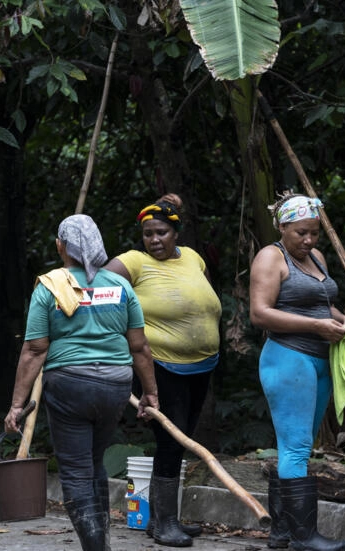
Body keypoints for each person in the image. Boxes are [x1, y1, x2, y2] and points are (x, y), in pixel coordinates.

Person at [5, 214, 160, 551]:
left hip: (70, 385)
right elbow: (140, 347)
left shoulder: (50, 286)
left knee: (76, 471)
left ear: (61, 246)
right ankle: (100, 542)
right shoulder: (120, 286)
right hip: (116, 385)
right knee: (94, 462)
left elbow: (34, 350)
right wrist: (150, 394)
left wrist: (17, 405)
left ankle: (95, 547)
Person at [104, 194, 222, 548]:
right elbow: (93, 291)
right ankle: (166, 521)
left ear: (176, 233)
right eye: (148, 234)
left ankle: (160, 518)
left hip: (202, 365)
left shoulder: (193, 258)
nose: (154, 240)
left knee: (183, 437)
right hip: (160, 366)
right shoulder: (132, 262)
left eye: (162, 233)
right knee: (171, 439)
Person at [249, 192, 345, 551]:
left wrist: (344, 318)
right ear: (282, 227)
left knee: (298, 448)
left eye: (314, 233)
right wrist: (316, 328)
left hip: (320, 359)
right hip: (288, 358)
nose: (308, 240)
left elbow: (321, 303)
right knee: (296, 449)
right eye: (300, 233)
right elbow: (260, 313)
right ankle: (303, 536)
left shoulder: (316, 257)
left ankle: (281, 534)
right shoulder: (270, 257)